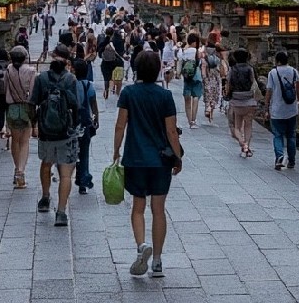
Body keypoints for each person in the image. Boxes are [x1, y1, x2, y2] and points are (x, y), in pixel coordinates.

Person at [112, 50, 182, 278]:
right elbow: (171, 130)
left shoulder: (129, 93)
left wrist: (116, 150)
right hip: (160, 159)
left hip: (135, 157)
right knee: (159, 209)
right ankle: (158, 260)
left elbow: (120, 125)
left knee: (138, 207)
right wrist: (178, 156)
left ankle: (142, 246)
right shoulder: (165, 96)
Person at [28, 44, 80, 227]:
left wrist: (35, 124)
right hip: (65, 132)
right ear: (66, 63)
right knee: (65, 174)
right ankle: (61, 212)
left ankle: (45, 196)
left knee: (46, 164)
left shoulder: (41, 79)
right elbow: (76, 106)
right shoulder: (71, 80)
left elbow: (31, 103)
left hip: (46, 131)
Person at [3, 45, 36, 189]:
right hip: (26, 108)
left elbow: (4, 91)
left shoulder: (8, 71)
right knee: (24, 142)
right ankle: (21, 171)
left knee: (15, 141)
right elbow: (34, 94)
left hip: (11, 107)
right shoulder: (31, 71)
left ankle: (17, 169)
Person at [266, 50, 299, 170]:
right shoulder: (294, 71)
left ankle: (279, 156)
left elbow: (269, 90)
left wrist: (266, 106)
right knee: (291, 135)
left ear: (277, 60)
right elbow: (298, 88)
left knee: (278, 135)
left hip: (277, 108)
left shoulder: (273, 72)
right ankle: (291, 160)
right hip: (291, 109)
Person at [71, 57, 100, 195]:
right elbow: (94, 105)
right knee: (84, 152)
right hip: (86, 122)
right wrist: (96, 119)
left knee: (72, 151)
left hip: (72, 123)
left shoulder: (71, 84)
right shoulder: (89, 85)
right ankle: (83, 180)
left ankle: (72, 176)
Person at [226, 48, 262, 158]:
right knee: (248, 124)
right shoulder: (250, 69)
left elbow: (229, 84)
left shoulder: (232, 69)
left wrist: (228, 94)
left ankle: (243, 144)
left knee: (237, 126)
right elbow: (253, 82)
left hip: (237, 98)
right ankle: (247, 145)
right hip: (249, 98)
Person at [178, 32, 203, 128]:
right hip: (196, 76)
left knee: (187, 99)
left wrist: (178, 73)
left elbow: (180, 61)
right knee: (195, 97)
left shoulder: (184, 51)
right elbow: (200, 63)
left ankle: (190, 122)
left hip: (187, 76)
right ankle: (194, 119)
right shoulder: (197, 52)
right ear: (195, 42)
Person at [201, 40, 226, 123]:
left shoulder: (204, 59)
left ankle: (207, 108)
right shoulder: (218, 60)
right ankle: (211, 109)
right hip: (216, 79)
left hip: (208, 79)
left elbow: (203, 71)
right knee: (215, 94)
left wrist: (204, 78)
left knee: (208, 94)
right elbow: (222, 71)